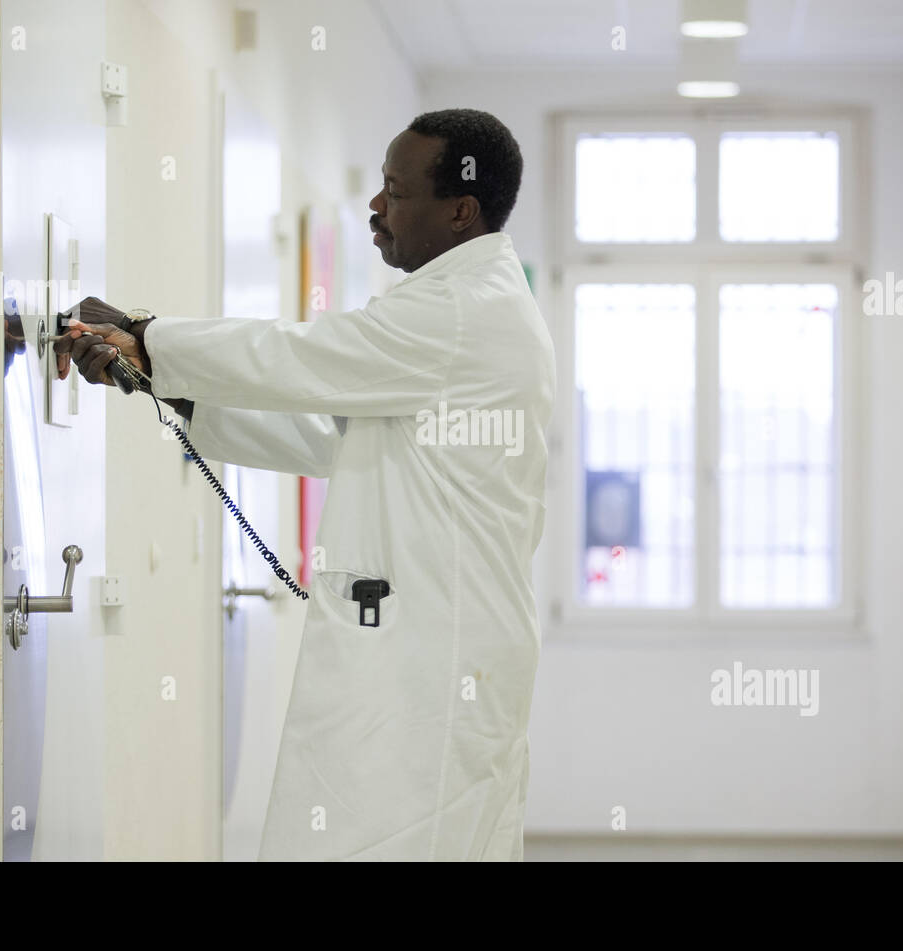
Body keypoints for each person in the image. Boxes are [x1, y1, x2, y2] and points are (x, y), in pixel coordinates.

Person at [55, 108, 554, 861]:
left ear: (460, 209)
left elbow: (304, 355)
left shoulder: (464, 311)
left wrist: (151, 336)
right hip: (418, 651)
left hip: (437, 662)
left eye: (395, 189)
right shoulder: (456, 308)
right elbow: (332, 433)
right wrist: (161, 380)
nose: (376, 207)